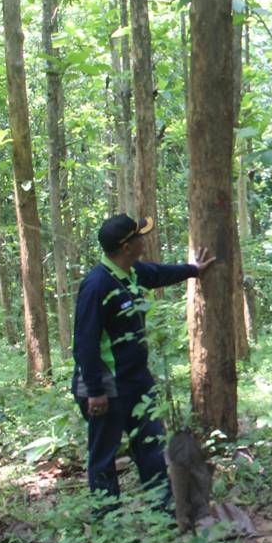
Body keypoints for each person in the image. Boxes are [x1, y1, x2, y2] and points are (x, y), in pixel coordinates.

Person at [72, 213, 216, 506]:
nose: (144, 240)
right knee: (104, 455)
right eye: (139, 236)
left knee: (151, 445)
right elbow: (84, 344)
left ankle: (163, 510)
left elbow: (158, 273)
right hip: (106, 385)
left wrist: (193, 270)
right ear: (127, 246)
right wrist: (95, 391)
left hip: (137, 381)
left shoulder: (132, 272)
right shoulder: (97, 285)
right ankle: (106, 518)